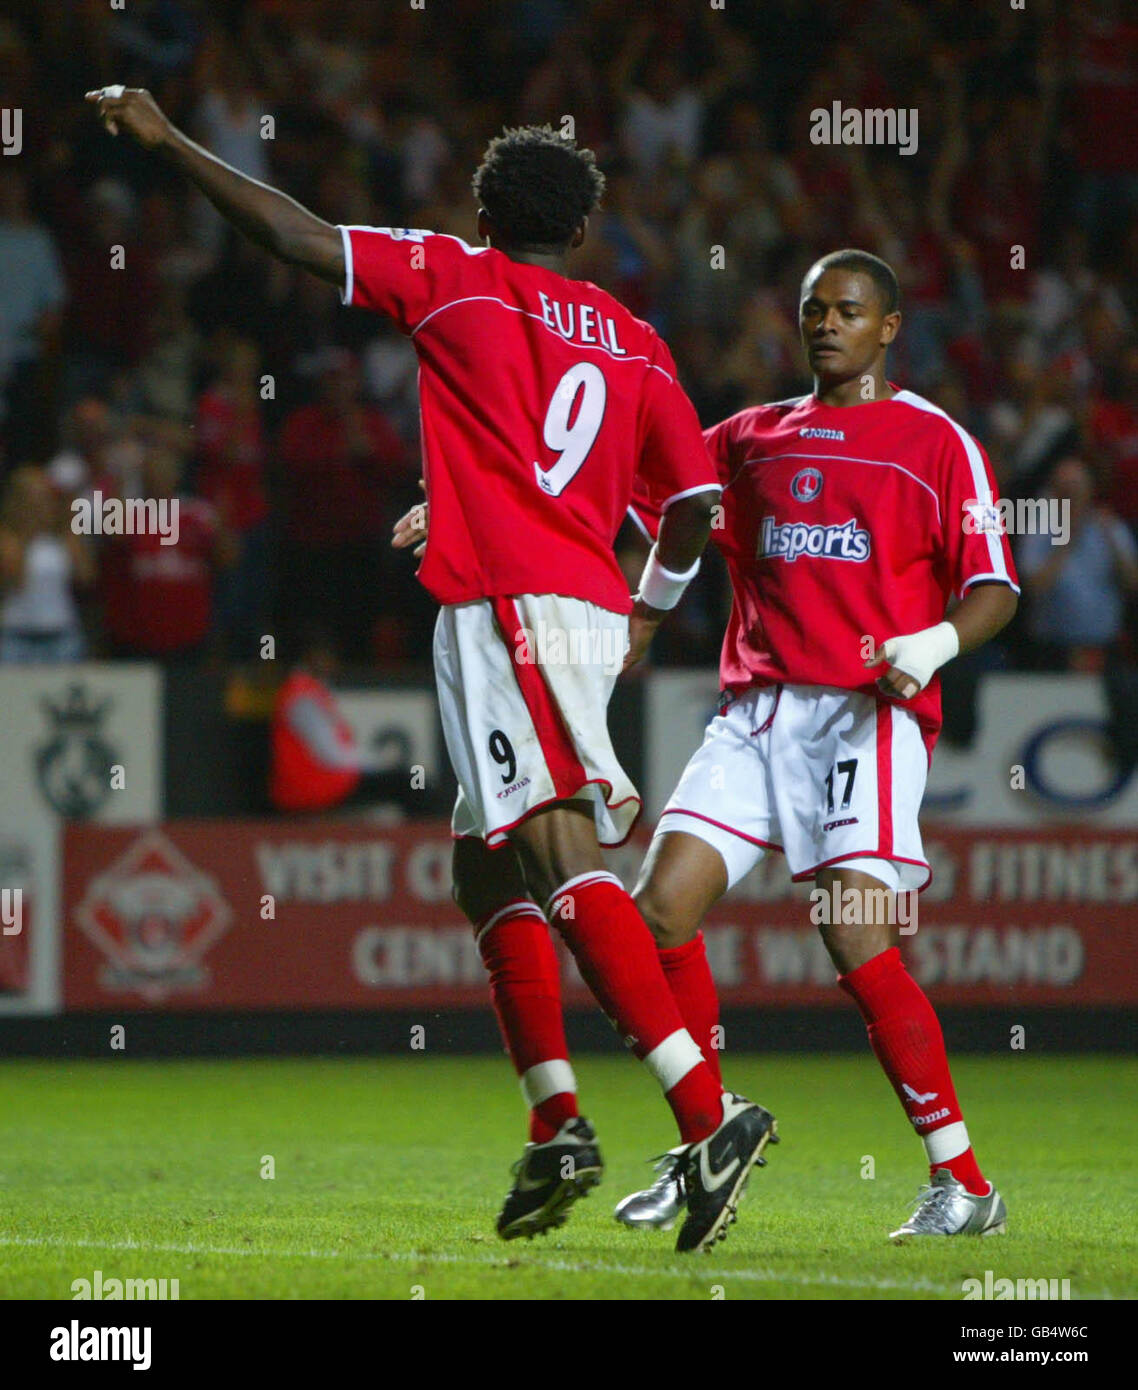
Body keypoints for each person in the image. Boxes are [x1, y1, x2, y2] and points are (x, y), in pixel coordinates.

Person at [86, 86, 775, 1253]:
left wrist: (168, 143)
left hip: (507, 607)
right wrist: (645, 615)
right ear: (582, 229)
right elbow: (695, 507)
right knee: (482, 867)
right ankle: (556, 1122)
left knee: (558, 853)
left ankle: (707, 1116)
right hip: (578, 605)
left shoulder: (453, 275)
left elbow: (297, 235)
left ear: (483, 213)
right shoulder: (636, 338)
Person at [410, 248, 1021, 1243]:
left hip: (862, 714)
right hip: (753, 716)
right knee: (657, 914)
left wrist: (935, 642)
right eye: (813, 308)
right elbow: (610, 482)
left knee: (855, 937)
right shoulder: (747, 437)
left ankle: (963, 1179)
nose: (826, 324)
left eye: (848, 310)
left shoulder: (937, 442)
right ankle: (705, 1141)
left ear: (888, 328)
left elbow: (995, 585)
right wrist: (473, 506)